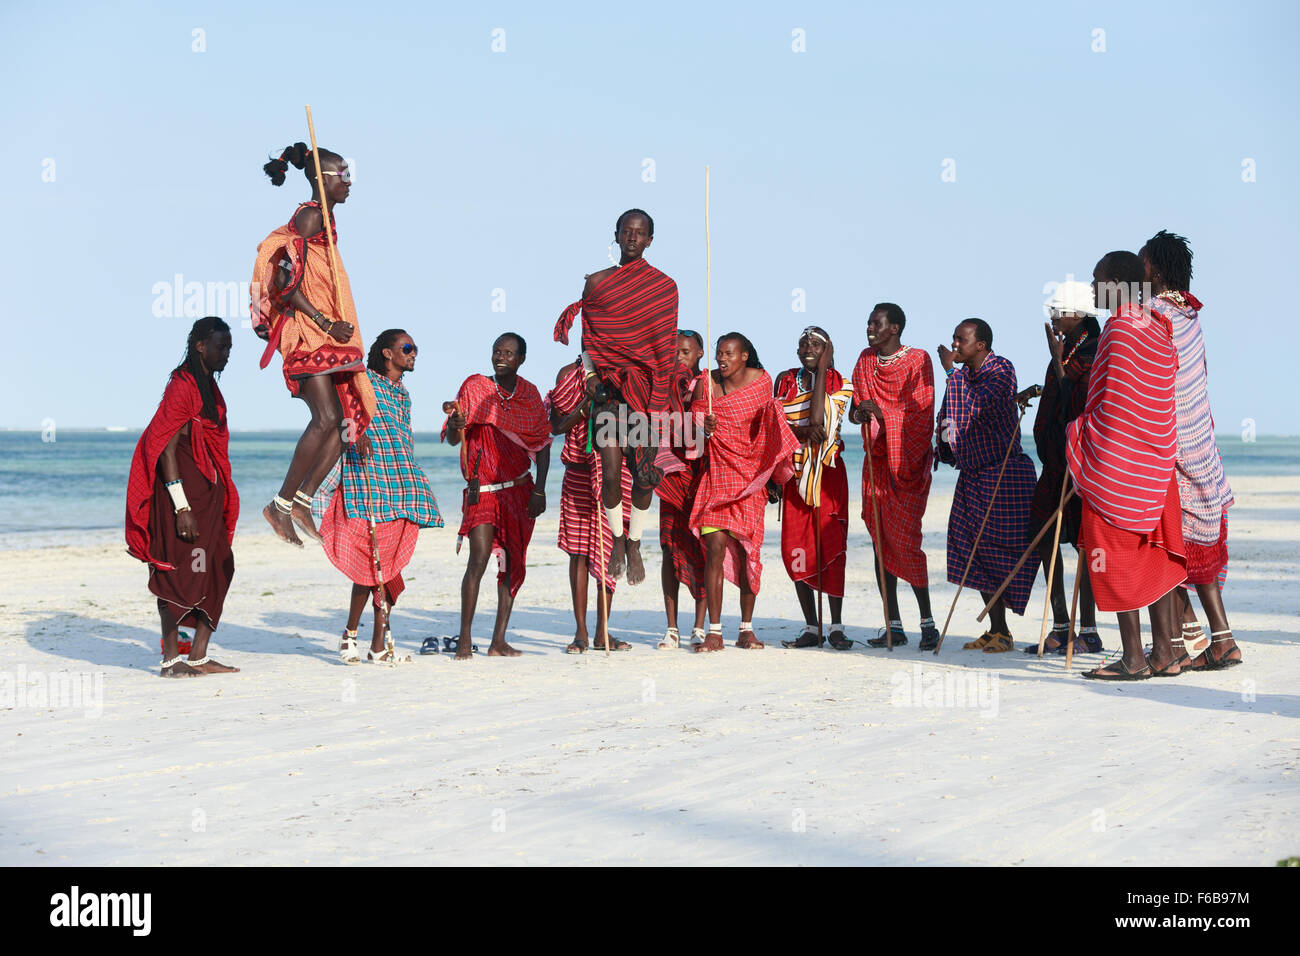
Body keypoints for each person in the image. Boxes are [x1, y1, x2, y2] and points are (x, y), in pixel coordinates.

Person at [251, 142, 377, 548]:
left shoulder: (326, 218)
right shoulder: (310, 216)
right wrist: (325, 321)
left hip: (326, 335)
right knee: (326, 419)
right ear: (323, 180)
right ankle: (280, 504)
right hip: (307, 333)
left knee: (344, 422)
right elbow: (286, 283)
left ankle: (302, 501)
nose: (349, 181)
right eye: (343, 174)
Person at [1069, 252, 1186, 679]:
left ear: (1117, 282)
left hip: (1117, 466)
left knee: (1113, 558)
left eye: (1096, 279)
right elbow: (1153, 399)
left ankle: (1134, 658)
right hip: (1157, 466)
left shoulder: (1120, 328)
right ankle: (1166, 654)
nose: (1092, 287)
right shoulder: (1158, 326)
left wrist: (1078, 434)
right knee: (1153, 557)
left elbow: (1112, 406)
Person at [554, 209, 678, 586]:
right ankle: (619, 541)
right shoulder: (597, 282)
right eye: (627, 231)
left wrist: (660, 395)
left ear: (650, 240)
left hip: (646, 391)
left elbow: (664, 346)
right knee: (610, 475)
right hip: (607, 393)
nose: (633, 238)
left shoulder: (664, 286)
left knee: (645, 476)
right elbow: (590, 337)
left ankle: (636, 541)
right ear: (617, 234)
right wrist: (590, 375)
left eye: (640, 233)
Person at [1140, 230, 1241, 670]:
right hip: (1199, 443)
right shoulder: (1188, 312)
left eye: (1141, 264)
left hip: (1171, 445)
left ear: (1156, 271)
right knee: (1182, 544)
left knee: (1166, 544)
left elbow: (1151, 384)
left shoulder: (1153, 314)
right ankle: (1209, 639)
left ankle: (1200, 640)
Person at [319, 330, 443, 665]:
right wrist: (354, 432)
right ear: (388, 353)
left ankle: (379, 644)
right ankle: (350, 633)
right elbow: (340, 394)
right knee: (368, 563)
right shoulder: (364, 381)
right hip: (368, 474)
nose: (413, 353)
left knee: (388, 567)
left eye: (415, 347)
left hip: (399, 480)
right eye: (407, 348)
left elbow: (405, 436)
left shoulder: (403, 394)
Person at [125, 317, 240, 677]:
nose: (226, 354)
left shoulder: (210, 388)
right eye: (221, 346)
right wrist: (182, 507)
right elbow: (165, 448)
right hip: (182, 501)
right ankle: (172, 659)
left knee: (219, 568)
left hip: (207, 502)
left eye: (230, 348)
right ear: (200, 345)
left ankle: (200, 655)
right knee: (176, 571)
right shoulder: (182, 385)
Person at [442, 333, 551, 659]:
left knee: (514, 564)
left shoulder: (529, 395)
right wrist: (457, 424)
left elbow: (542, 442)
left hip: (520, 490)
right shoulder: (475, 388)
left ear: (521, 359)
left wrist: (541, 489)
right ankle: (464, 639)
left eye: (508, 353)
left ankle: (498, 640)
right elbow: (451, 438)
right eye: (497, 351)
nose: (500, 357)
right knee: (478, 560)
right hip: (484, 491)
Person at [690, 334, 800, 652]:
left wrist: (772, 473)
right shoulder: (705, 384)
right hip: (717, 477)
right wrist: (703, 426)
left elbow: (767, 426)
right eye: (719, 353)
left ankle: (746, 629)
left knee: (747, 553)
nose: (722, 359)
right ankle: (714, 631)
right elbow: (693, 438)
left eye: (729, 354)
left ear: (744, 356)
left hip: (750, 481)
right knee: (714, 550)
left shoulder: (761, 382)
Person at [935, 319, 1040, 652]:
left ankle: (1049, 626)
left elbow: (977, 406)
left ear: (980, 345)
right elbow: (949, 419)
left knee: (1001, 549)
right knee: (972, 550)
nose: (954, 345)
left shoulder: (1001, 370)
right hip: (973, 475)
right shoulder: (962, 376)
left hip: (1004, 474)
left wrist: (951, 373)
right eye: (953, 338)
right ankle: (999, 630)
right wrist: (946, 449)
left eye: (960, 339)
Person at [849, 303, 940, 650]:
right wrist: (863, 412)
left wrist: (884, 414)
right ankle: (894, 624)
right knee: (880, 542)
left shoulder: (919, 359)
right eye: (869, 322)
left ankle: (927, 622)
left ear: (895, 328)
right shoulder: (865, 360)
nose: (870, 327)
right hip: (876, 464)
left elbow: (922, 409)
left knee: (907, 542)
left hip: (908, 464)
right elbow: (858, 413)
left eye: (877, 323)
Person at [1018, 282, 1102, 655]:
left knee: (1084, 545)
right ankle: (1061, 624)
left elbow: (1080, 404)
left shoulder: (1095, 350)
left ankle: (1089, 631)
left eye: (1058, 312)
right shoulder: (1067, 348)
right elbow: (1056, 393)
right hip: (1054, 464)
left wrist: (1055, 359)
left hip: (1081, 464)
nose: (1053, 318)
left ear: (1076, 313)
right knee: (1044, 536)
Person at [774, 327, 854, 650]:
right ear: (796, 351)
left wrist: (822, 370)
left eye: (817, 344)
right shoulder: (785, 380)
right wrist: (802, 429)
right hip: (794, 474)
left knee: (831, 548)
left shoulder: (839, 382)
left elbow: (820, 422)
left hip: (828, 472)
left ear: (829, 351)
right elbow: (776, 424)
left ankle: (835, 626)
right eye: (804, 343)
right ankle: (811, 626)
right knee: (795, 547)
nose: (809, 346)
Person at [547, 357, 633, 653]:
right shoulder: (569, 373)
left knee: (609, 549)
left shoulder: (621, 371)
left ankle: (603, 632)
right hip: (577, 471)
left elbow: (635, 418)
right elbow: (556, 426)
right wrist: (585, 404)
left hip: (615, 474)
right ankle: (581, 632)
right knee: (578, 553)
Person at [656, 331, 709, 649]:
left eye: (685, 351)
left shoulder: (706, 385)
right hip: (669, 474)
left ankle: (700, 625)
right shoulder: (663, 385)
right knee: (669, 547)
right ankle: (672, 627)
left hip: (700, 476)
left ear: (699, 353)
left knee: (703, 548)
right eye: (674, 351)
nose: (679, 356)